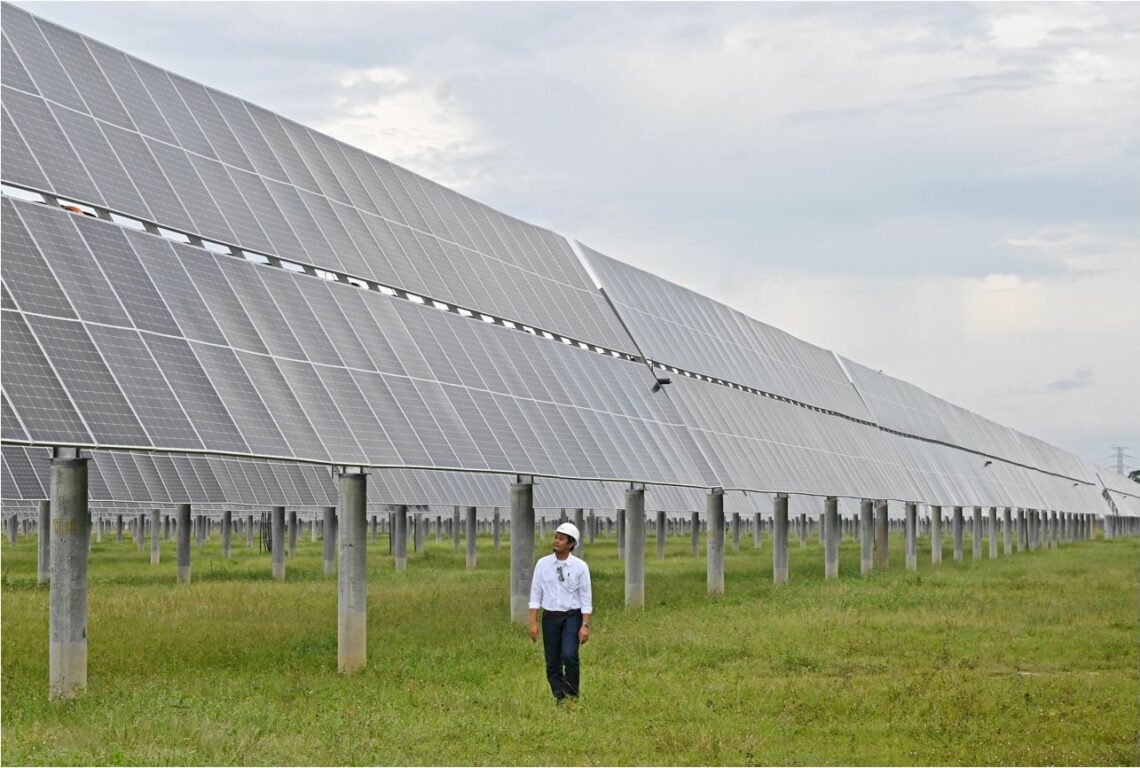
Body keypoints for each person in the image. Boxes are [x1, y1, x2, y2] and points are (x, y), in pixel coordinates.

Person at [529, 522, 593, 702]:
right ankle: (560, 697)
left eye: (561, 538)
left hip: (572, 616)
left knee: (569, 655)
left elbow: (586, 597)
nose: (556, 541)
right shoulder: (542, 564)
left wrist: (585, 625)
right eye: (556, 537)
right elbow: (535, 594)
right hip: (550, 617)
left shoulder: (580, 567)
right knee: (552, 662)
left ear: (571, 544)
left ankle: (572, 694)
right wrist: (533, 622)